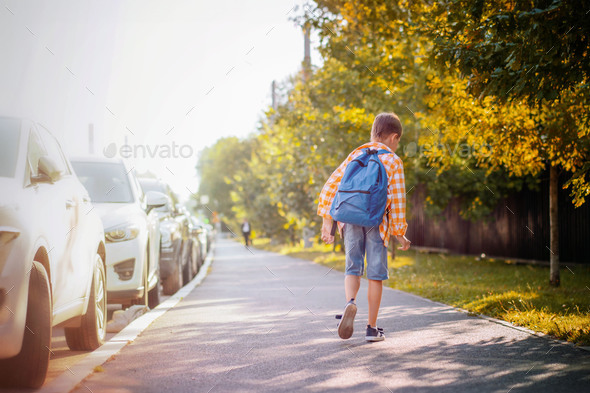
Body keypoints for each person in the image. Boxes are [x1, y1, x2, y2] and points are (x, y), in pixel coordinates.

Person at [317, 112, 411, 342]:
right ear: (394, 138)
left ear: (373, 134)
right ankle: (371, 328)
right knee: (375, 275)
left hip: (349, 220)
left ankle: (350, 303)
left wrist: (326, 221)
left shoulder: (356, 154)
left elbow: (330, 187)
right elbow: (398, 201)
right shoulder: (393, 161)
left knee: (352, 268)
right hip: (376, 223)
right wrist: (400, 234)